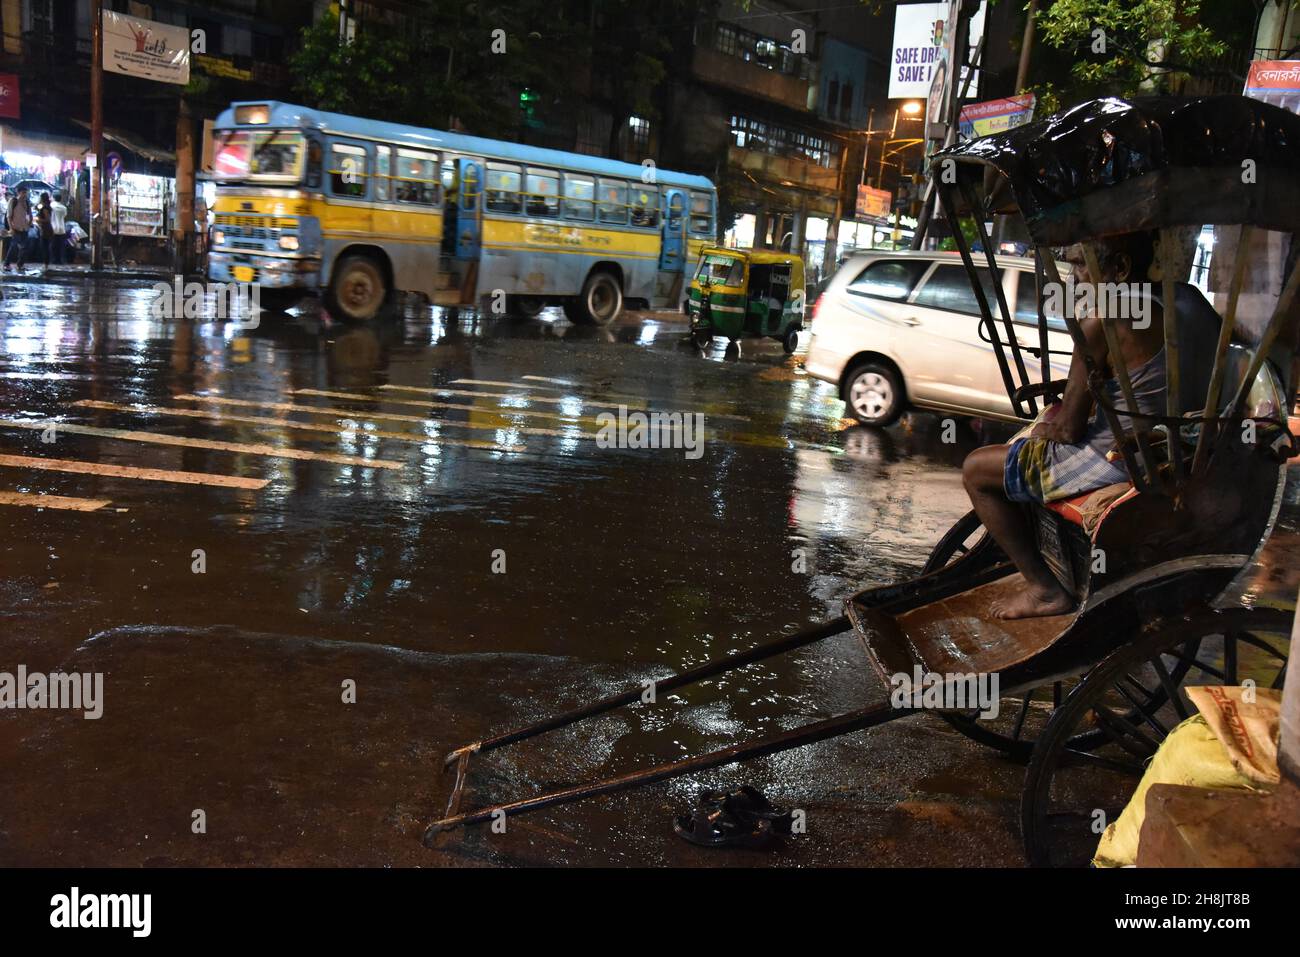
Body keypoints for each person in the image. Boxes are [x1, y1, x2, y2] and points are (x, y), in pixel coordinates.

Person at [961, 231, 1166, 620]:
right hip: (1162, 444)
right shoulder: (1179, 304)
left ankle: (1044, 590)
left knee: (976, 468)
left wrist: (1044, 430)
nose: (1074, 277)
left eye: (1080, 264)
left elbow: (1069, 428)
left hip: (1119, 456)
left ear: (1120, 268)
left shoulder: (1103, 319)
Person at [4, 185, 32, 271]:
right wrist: (11, 228)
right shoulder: (13, 201)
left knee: (24, 247)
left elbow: (29, 214)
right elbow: (8, 216)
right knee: (13, 246)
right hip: (15, 227)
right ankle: (7, 264)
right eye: (23, 193)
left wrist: (29, 223)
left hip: (24, 228)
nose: (25, 194)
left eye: (26, 193)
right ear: (18, 192)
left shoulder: (26, 202)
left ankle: (20, 264)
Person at [48, 191, 68, 266]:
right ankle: (60, 260)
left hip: (52, 228)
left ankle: (53, 260)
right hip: (62, 228)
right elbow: (64, 216)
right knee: (60, 246)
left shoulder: (50, 206)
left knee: (53, 246)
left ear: (53, 198)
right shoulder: (64, 208)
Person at [35, 193, 54, 268]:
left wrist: (38, 219)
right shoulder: (44, 206)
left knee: (45, 247)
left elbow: (47, 219)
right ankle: (46, 264)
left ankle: (46, 264)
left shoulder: (45, 207)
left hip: (46, 229)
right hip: (46, 228)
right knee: (45, 246)